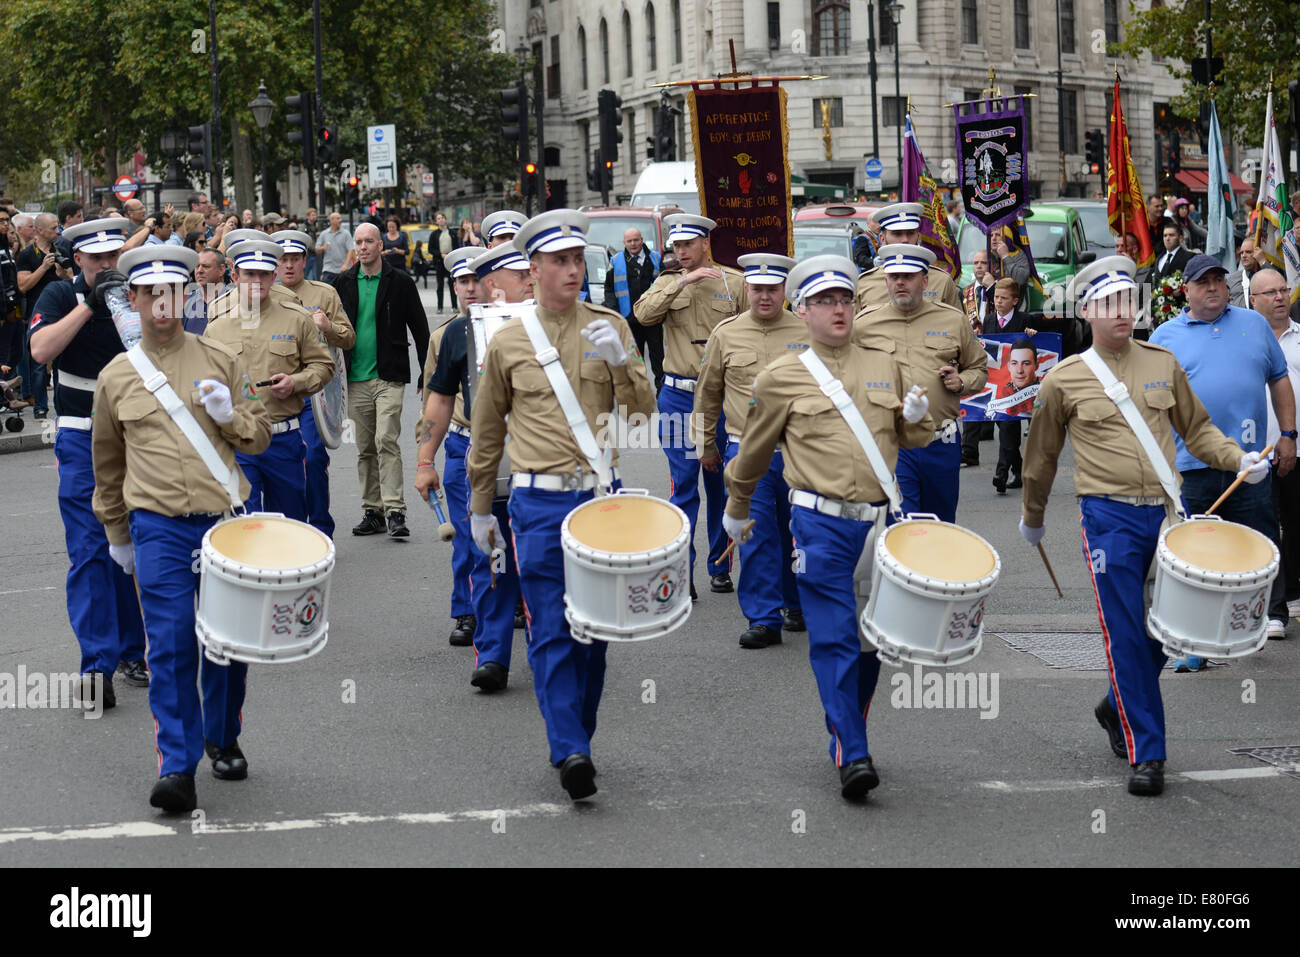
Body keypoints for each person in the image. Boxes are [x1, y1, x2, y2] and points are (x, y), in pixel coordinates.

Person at [1020, 255, 1267, 796]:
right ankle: (1147, 754)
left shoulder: (1161, 362)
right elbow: (1040, 459)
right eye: (1108, 305)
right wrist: (1033, 518)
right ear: (1086, 311)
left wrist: (1238, 459)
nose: (1120, 314)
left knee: (1171, 629)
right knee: (1127, 634)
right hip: (1106, 516)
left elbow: (1198, 430)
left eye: (1127, 302)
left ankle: (1116, 706)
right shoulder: (1063, 379)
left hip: (1164, 511)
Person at [724, 254, 933, 800]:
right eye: (824, 302)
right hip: (818, 523)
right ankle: (853, 751)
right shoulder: (780, 377)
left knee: (869, 646)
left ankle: (848, 731)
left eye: (843, 299)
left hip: (880, 523)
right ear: (803, 311)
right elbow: (752, 451)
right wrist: (738, 506)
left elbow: (913, 438)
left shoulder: (884, 361)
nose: (838, 310)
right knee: (835, 636)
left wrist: (917, 417)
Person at [467, 209, 655, 800]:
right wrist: (478, 508)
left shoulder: (610, 326)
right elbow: (487, 430)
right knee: (549, 626)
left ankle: (577, 734)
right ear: (534, 269)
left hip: (599, 501)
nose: (573, 270)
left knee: (593, 632)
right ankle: (570, 746)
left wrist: (623, 364)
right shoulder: (509, 341)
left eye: (578, 260)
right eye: (560, 261)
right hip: (537, 502)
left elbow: (644, 417)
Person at [91, 244, 272, 813]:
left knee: (225, 643)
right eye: (150, 294)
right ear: (135, 299)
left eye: (173, 292)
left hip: (222, 524)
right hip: (159, 527)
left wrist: (229, 417)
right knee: (169, 647)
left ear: (186, 295)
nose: (162, 304)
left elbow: (260, 436)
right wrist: (118, 534)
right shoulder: (116, 377)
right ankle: (177, 763)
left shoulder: (221, 360)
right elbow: (108, 465)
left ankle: (223, 735)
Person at [27, 218, 150, 706]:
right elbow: (39, 351)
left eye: (112, 257)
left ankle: (133, 650)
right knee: (91, 549)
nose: (106, 266)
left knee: (135, 543)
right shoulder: (59, 297)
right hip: (81, 437)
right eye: (96, 259)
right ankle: (97, 665)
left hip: (139, 437)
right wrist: (87, 306)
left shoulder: (141, 291)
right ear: (77, 260)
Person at [1152, 253, 1296, 650]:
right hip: (1189, 462)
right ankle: (1193, 623)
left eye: (1218, 280)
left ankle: (1271, 612)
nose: (1213, 287)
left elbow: (1280, 381)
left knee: (1260, 539)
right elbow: (1151, 400)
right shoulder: (1165, 336)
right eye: (1204, 282)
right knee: (1194, 544)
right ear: (1187, 291)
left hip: (1249, 462)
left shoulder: (1253, 324)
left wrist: (1288, 434)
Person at [422, 243, 534, 692]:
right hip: (481, 460)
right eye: (519, 273)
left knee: (543, 560)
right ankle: (492, 655)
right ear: (493, 283)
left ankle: (551, 650)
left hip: (542, 462)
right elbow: (442, 398)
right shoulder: (458, 333)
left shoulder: (553, 325)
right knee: (490, 557)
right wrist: (425, 460)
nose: (530, 279)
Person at [694, 252, 806, 649]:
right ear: (746, 289)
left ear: (785, 291)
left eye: (773, 289)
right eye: (757, 289)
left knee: (798, 532)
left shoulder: (808, 331)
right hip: (747, 452)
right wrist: (705, 444)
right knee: (755, 535)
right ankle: (763, 616)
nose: (764, 297)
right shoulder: (725, 334)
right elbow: (707, 394)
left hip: (799, 452)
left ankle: (796, 604)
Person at [634, 213, 746, 596]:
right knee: (683, 484)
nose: (680, 251)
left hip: (721, 396)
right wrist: (683, 281)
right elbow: (643, 314)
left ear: (704, 245)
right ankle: (682, 569)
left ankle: (720, 565)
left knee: (721, 482)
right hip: (679, 396)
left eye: (687, 245)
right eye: (676, 246)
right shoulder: (667, 282)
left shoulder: (735, 282)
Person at [854, 244, 988, 523]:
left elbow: (978, 367)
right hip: (894, 443)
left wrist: (961, 381)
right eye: (893, 277)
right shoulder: (864, 324)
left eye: (908, 276)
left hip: (941, 442)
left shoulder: (953, 320)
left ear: (925, 280)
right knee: (905, 524)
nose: (900, 282)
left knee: (941, 525)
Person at [203, 239, 334, 520]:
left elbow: (324, 366)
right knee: (246, 527)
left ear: (273, 277)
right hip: (237, 442)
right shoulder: (216, 327)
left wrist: (296, 382)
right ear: (235, 277)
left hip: (284, 439)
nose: (257, 281)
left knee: (289, 525)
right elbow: (203, 384)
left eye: (263, 274)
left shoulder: (297, 319)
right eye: (249, 274)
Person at [333, 223, 430, 538]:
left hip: (389, 374)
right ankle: (372, 510)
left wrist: (427, 375)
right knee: (364, 448)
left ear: (380, 246)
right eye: (359, 242)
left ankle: (395, 511)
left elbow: (420, 328)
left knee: (386, 440)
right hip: (355, 378)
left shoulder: (399, 281)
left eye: (369, 241)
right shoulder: (343, 283)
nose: (362, 247)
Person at [414, 246, 483, 646]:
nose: (470, 288)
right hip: (460, 443)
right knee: (463, 532)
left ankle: (510, 601)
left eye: (476, 279)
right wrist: (425, 458)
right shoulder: (443, 337)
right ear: (454, 286)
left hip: (509, 448)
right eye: (462, 281)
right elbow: (432, 401)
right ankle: (467, 611)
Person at [271, 230, 357, 538]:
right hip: (275, 393)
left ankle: (320, 528)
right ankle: (286, 531)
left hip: (314, 393)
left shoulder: (324, 293)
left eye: (295, 259)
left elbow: (349, 338)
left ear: (305, 261)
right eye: (283, 260)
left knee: (312, 457)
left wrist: (328, 326)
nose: (289, 266)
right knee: (278, 462)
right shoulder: (263, 295)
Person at [1252, 267, 1300, 619]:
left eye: (1283, 290)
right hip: (1258, 452)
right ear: (1253, 300)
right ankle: (1274, 604)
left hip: (1297, 444)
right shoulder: (1245, 339)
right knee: (1265, 526)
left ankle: (1294, 592)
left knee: (1296, 522)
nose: (1280, 297)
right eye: (1271, 292)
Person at [15, 212, 72, 419]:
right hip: (38, 314)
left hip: (63, 313)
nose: (57, 231)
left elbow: (72, 281)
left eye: (58, 227)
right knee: (39, 364)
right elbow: (23, 285)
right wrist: (43, 268)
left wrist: (62, 272)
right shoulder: (27, 255)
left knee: (62, 362)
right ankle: (40, 407)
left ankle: (62, 406)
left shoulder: (63, 250)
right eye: (53, 228)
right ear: (40, 230)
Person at [855, 204, 962, 312]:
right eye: (897, 234)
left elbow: (955, 323)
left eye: (910, 233)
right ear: (882, 239)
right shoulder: (865, 283)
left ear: (918, 237)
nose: (905, 240)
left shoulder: (941, 281)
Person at [604, 227, 664, 390]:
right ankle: (639, 391)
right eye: (629, 241)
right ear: (624, 243)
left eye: (636, 240)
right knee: (635, 360)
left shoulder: (656, 258)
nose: (633, 244)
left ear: (642, 240)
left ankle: (661, 391)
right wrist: (615, 313)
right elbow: (609, 289)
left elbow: (665, 285)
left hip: (652, 318)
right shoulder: (616, 261)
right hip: (629, 319)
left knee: (658, 358)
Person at [183, 247, 232, 335]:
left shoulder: (236, 300)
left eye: (206, 266)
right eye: (197, 266)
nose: (199, 271)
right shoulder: (186, 301)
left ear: (221, 270)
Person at [429, 211, 458, 312]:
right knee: (440, 285)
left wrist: (450, 255)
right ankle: (440, 307)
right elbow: (430, 249)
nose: (441, 220)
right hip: (439, 262)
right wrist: (440, 254)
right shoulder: (434, 234)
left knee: (452, 284)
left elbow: (457, 247)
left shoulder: (452, 233)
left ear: (445, 219)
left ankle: (454, 306)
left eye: (442, 218)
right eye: (438, 218)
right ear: (436, 221)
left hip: (450, 262)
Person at [961, 249, 994, 334]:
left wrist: (992, 287)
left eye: (983, 263)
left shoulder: (1002, 286)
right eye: (976, 263)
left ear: (994, 266)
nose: (979, 266)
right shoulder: (964, 292)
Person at [317, 212, 355, 284]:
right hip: (328, 270)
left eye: (340, 218)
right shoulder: (324, 234)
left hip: (343, 270)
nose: (340, 220)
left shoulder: (346, 233)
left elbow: (351, 250)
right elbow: (317, 249)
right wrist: (323, 247)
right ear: (331, 220)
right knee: (328, 294)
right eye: (338, 218)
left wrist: (346, 265)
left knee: (343, 294)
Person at [1227, 236, 1258, 308]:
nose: (1243, 256)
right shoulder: (1232, 279)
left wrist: (1263, 262)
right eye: (1241, 253)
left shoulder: (1267, 274)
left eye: (1248, 252)